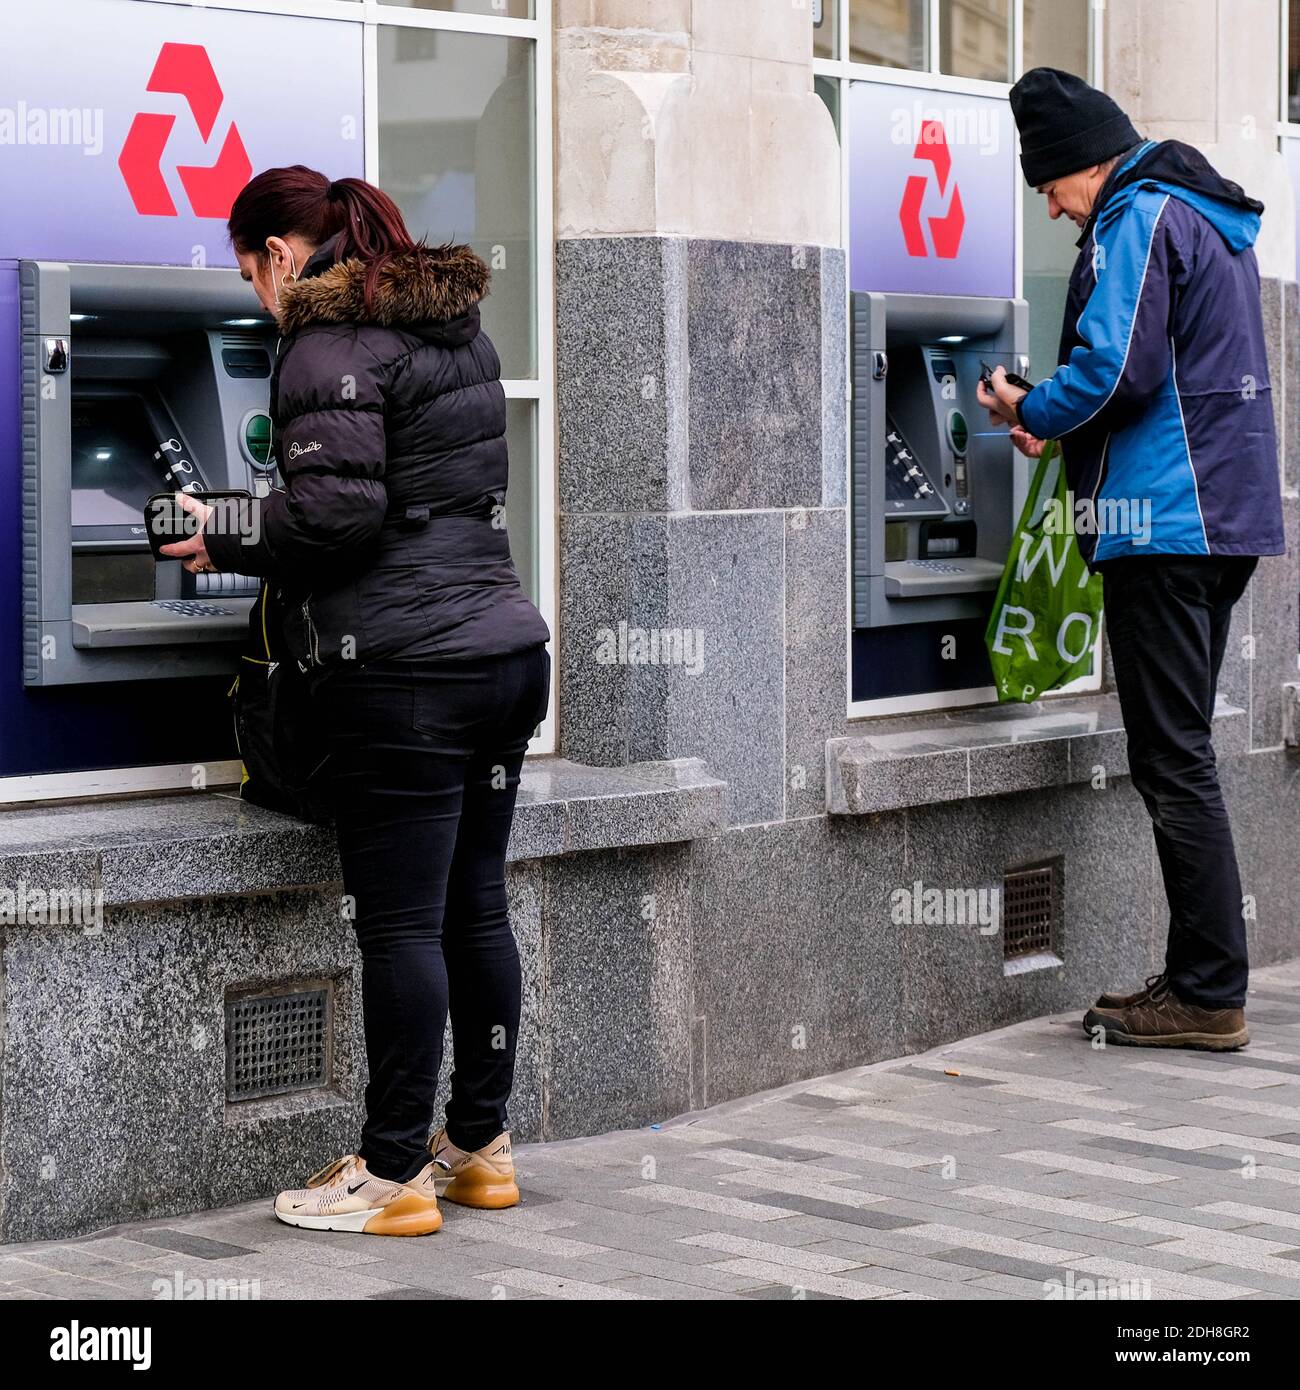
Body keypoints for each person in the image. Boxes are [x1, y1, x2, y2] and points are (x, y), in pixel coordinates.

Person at [161, 166, 551, 1234]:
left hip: (406, 672)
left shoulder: (325, 339)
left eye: (251, 274)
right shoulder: (453, 326)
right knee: (474, 901)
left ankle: (390, 1177)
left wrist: (227, 527)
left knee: (400, 925)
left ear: (283, 255)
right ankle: (477, 1147)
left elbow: (339, 515)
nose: (256, 299)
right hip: (504, 655)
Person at [978, 69, 1285, 1052]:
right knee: (1181, 751)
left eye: (1048, 184)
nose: (1048, 203)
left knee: (1170, 757)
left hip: (1163, 524)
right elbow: (1159, 381)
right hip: (1219, 518)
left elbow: (1119, 367)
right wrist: (1055, 428)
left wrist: (1031, 407)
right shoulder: (1204, 215)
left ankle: (1203, 989)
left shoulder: (1136, 214)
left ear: (1082, 163)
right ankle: (1203, 977)